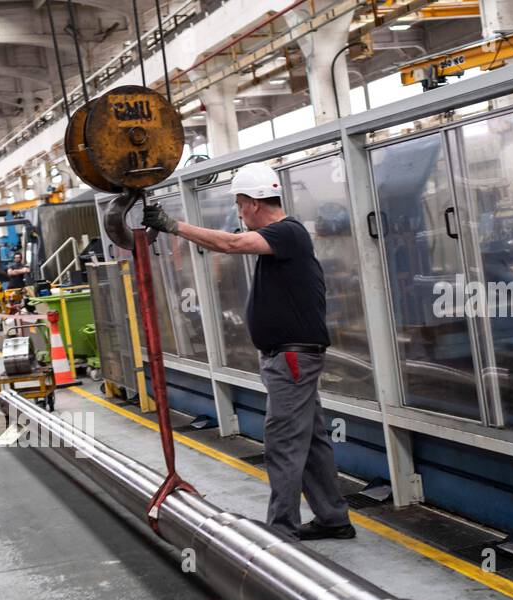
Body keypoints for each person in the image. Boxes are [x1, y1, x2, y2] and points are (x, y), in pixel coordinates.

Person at [142, 162, 354, 541]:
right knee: (312, 440)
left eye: (240, 206)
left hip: (291, 358)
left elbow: (230, 243)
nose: (239, 215)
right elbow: (225, 242)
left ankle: (281, 532)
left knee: (285, 440)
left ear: (253, 203)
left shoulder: (287, 233)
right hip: (290, 356)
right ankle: (332, 517)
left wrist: (172, 226)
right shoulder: (283, 237)